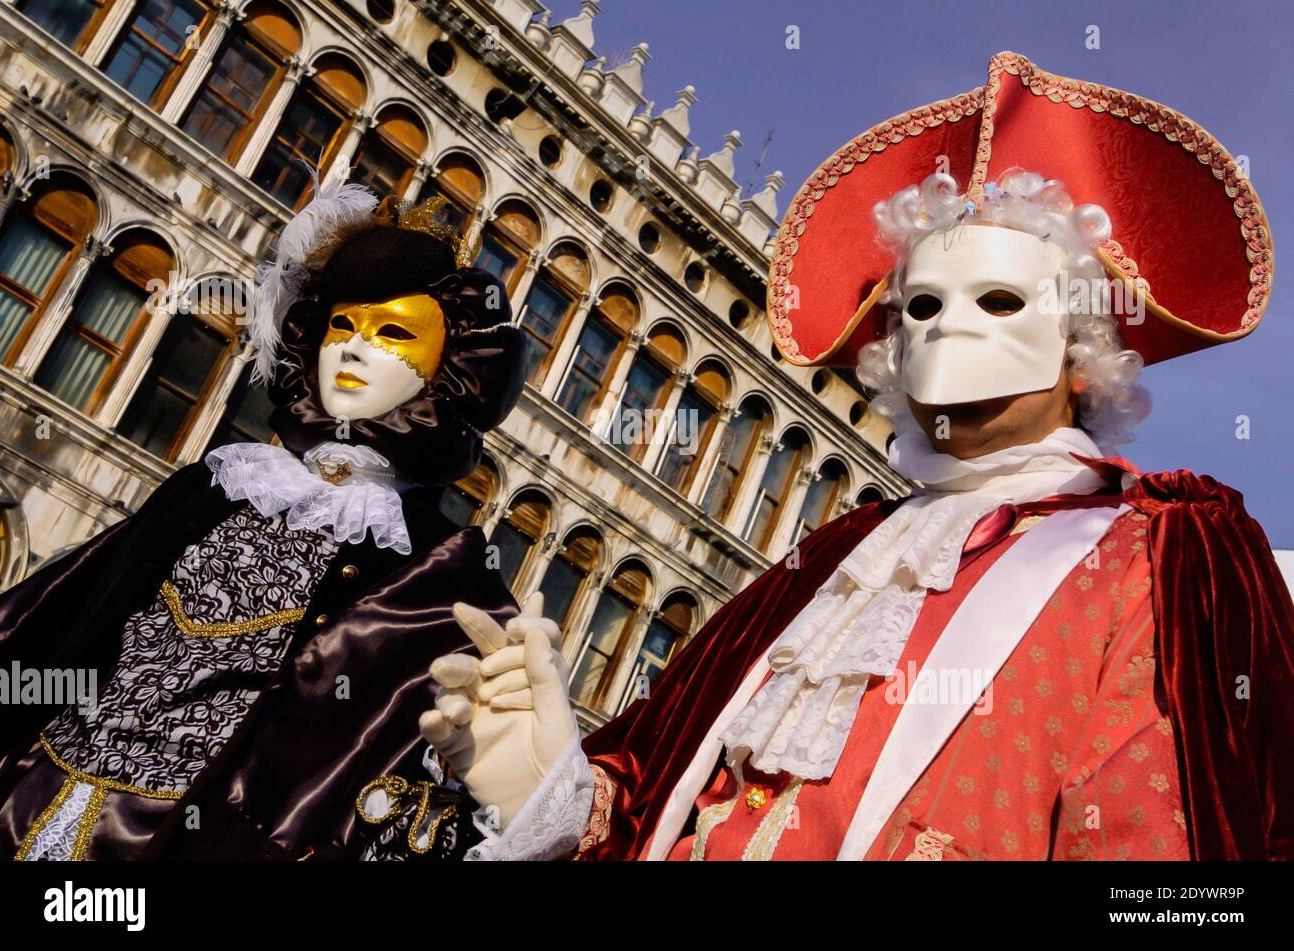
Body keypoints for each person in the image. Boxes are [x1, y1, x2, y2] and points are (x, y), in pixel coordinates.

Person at [422, 51, 1292, 861]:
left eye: (999, 300)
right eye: (918, 307)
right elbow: (660, 790)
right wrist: (549, 793)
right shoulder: (833, 560)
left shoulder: (1161, 553)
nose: (950, 324)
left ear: (1079, 354)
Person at [0, 183, 526, 860]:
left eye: (394, 333)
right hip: (31, 803)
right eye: (343, 326)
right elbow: (53, 617)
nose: (356, 352)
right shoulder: (217, 486)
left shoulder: (431, 570)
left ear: (449, 369)